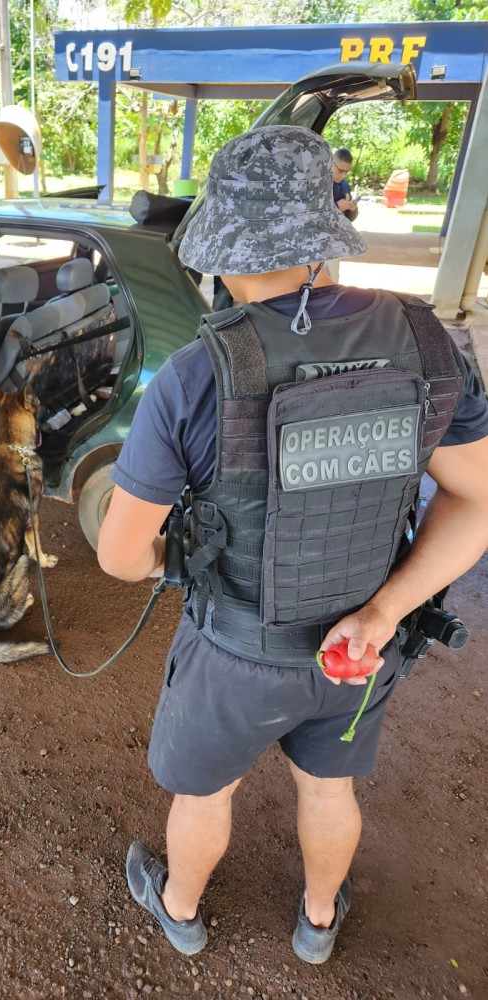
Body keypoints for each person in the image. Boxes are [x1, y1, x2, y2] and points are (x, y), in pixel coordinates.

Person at [97, 125, 488, 964]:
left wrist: (180, 559)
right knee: (330, 786)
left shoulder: (196, 377)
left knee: (205, 794)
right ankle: (316, 922)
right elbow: (477, 499)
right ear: (326, 231)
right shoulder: (427, 345)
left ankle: (181, 910)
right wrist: (383, 612)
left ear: (219, 251)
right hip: (358, 650)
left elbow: (120, 557)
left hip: (234, 653)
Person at [332, 147, 359, 221]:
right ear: (331, 163)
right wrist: (336, 207)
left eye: (346, 172)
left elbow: (349, 219)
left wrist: (353, 210)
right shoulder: (318, 185)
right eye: (340, 170)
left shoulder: (345, 186)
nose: (344, 176)